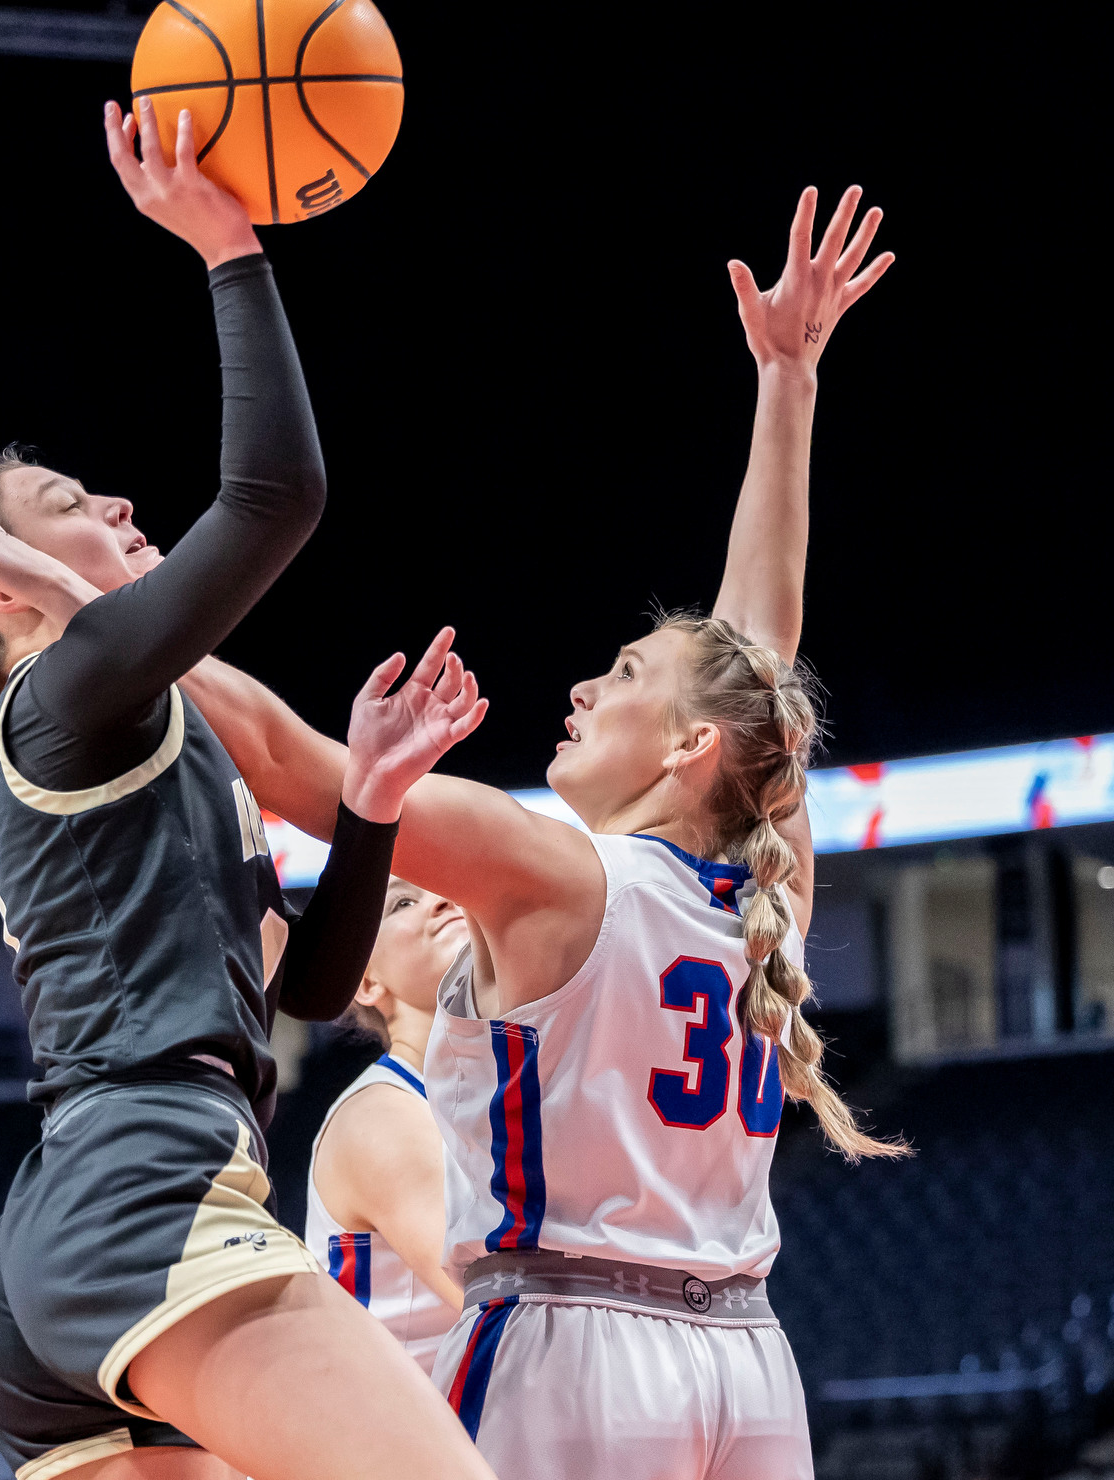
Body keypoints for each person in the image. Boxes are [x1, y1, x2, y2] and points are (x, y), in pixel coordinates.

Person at [0, 97, 495, 1480]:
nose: (121, 505)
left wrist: (365, 811)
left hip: (68, 1233)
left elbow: (304, 991)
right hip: (144, 1194)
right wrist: (226, 244)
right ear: (3, 580)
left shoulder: (138, 721)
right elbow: (274, 497)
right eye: (74, 496)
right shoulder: (68, 692)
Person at [179, 185, 899, 1479]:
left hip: (576, 1343)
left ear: (689, 750)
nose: (583, 687)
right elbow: (759, 660)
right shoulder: (755, 883)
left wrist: (100, 606)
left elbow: (295, 764)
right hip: (748, 1353)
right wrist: (785, 385)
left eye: (619, 674)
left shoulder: (559, 868)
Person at [305, 878, 467, 1367]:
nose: (443, 898)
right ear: (368, 981)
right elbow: (502, 1304)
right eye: (402, 902)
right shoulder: (382, 1116)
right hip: (394, 1432)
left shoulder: (509, 1091)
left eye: (452, 887)